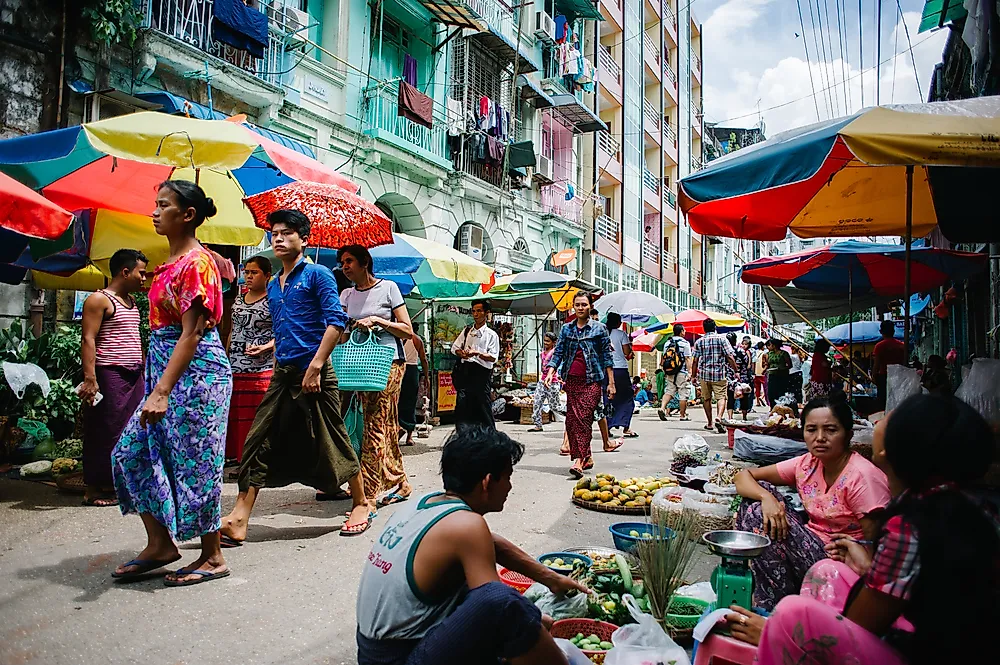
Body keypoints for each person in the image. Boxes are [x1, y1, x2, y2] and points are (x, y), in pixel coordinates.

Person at [723, 394, 999, 665]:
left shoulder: (909, 523)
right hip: (942, 635)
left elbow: (861, 625)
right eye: (812, 429)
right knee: (824, 571)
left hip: (928, 650)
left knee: (791, 614)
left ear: (888, 452)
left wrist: (778, 630)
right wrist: (869, 566)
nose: (820, 437)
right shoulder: (980, 502)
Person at [356, 426, 586, 665]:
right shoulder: (468, 525)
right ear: (487, 482)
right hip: (399, 658)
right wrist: (531, 622)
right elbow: (495, 607)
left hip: (373, 652)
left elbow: (492, 543)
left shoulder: (427, 505)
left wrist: (552, 579)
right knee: (506, 605)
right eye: (507, 477)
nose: (510, 487)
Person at [221, 209, 371, 544]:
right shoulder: (273, 285)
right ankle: (240, 517)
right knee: (257, 440)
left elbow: (335, 321)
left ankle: (361, 502)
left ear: (304, 239)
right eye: (274, 233)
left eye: (287, 233)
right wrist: (267, 348)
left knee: (331, 438)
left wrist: (317, 365)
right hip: (282, 373)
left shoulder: (317, 275)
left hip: (315, 371)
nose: (278, 238)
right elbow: (289, 327)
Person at [110, 180, 233, 586]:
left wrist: (162, 390)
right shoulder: (170, 263)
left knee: (196, 462)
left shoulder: (198, 264)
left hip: (197, 375)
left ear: (187, 215)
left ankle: (212, 556)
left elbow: (193, 333)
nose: (155, 211)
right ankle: (161, 544)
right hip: (168, 370)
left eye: (163, 205)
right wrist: (159, 385)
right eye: (156, 204)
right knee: (131, 453)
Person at [733, 394, 890, 610]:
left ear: (848, 435)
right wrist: (766, 497)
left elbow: (876, 547)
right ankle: (777, 593)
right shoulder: (808, 464)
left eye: (831, 430)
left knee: (757, 515)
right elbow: (743, 476)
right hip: (811, 546)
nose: (820, 437)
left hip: (840, 562)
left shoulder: (862, 477)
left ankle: (775, 602)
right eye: (811, 430)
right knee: (755, 499)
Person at [340, 244, 415, 508]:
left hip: (389, 363)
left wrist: (378, 321)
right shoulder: (346, 295)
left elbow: (407, 330)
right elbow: (342, 334)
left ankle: (369, 493)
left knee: (374, 424)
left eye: (349, 261)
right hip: (359, 365)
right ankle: (401, 482)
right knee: (383, 424)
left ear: (364, 263)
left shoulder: (389, 288)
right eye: (342, 262)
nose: (345, 266)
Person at [79, 249, 148, 507]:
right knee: (104, 429)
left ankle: (121, 483)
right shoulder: (100, 300)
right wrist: (90, 378)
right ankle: (95, 488)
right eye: (141, 273)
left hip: (134, 374)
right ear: (125, 271)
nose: (144, 278)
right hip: (109, 373)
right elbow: (88, 338)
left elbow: (135, 337)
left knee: (133, 429)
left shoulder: (131, 301)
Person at [545, 291, 617, 478]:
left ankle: (579, 460)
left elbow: (607, 357)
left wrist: (611, 383)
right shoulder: (566, 329)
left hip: (592, 380)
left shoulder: (599, 329)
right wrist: (550, 372)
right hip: (571, 380)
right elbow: (558, 353)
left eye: (584, 305)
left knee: (583, 418)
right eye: (577, 305)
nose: (580, 308)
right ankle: (587, 456)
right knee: (571, 420)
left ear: (590, 306)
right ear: (573, 306)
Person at [225, 255, 275, 464]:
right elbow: (232, 329)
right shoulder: (238, 299)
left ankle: (255, 461)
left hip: (261, 367)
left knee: (256, 415)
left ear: (267, 275)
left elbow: (283, 332)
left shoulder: (273, 300)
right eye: (246, 272)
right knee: (235, 415)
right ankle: (238, 458)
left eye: (254, 272)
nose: (249, 276)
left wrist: (266, 347)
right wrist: (226, 355)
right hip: (235, 364)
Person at [451, 300, 499, 429]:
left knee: (483, 406)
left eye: (479, 311)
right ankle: (463, 435)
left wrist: (477, 353)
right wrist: (462, 353)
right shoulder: (467, 331)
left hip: (481, 375)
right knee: (463, 406)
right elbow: (454, 347)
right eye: (474, 311)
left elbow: (493, 357)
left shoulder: (491, 335)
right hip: (465, 372)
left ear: (486, 313)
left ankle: (490, 436)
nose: (476, 314)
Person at [692, 318, 737, 433]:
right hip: (719, 374)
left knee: (706, 399)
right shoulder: (722, 339)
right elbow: (730, 357)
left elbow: (695, 361)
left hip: (704, 374)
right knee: (721, 397)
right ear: (715, 327)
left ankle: (710, 423)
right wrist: (736, 371)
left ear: (704, 329)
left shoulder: (699, 341)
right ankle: (719, 417)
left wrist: (693, 376)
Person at [605, 312, 638, 438]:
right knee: (626, 398)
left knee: (608, 398)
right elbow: (627, 354)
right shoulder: (621, 334)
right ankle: (626, 427)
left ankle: (607, 426)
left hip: (605, 371)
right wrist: (630, 345)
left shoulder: (602, 333)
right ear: (618, 323)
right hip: (620, 370)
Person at [657, 323, 692, 422]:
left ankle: (662, 408)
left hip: (670, 371)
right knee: (683, 392)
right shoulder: (685, 343)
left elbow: (664, 358)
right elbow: (688, 358)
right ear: (681, 332)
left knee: (669, 391)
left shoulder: (667, 343)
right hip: (682, 371)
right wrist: (690, 372)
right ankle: (682, 415)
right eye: (684, 330)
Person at [399, 332, 429, 445]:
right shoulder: (417, 339)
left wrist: (426, 377)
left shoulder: (414, 339)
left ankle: (406, 432)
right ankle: (408, 435)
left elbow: (423, 359)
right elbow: (423, 359)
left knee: (402, 401)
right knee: (409, 402)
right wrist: (426, 376)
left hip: (403, 368)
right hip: (411, 370)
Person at [527, 332, 560, 432]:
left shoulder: (555, 353)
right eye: (545, 340)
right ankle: (538, 424)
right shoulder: (542, 353)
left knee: (555, 406)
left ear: (554, 342)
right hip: (542, 381)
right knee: (537, 402)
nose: (545, 343)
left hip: (552, 382)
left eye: (548, 341)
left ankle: (571, 417)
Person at [873, 320, 906, 409]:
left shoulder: (879, 346)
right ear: (893, 331)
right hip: (899, 377)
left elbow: (876, 365)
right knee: (897, 402)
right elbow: (904, 363)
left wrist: (874, 376)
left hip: (884, 378)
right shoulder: (901, 346)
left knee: (884, 403)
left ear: (881, 332)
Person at [726, 334, 753, 421]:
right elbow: (746, 363)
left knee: (730, 397)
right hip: (743, 377)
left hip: (730, 377)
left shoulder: (726, 351)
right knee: (744, 397)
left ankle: (730, 417)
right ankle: (744, 417)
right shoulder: (741, 351)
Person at [764, 338, 792, 408]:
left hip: (782, 376)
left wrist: (782, 368)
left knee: (781, 392)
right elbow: (767, 364)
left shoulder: (784, 353)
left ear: (774, 345)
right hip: (772, 375)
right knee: (771, 393)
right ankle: (772, 407)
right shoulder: (769, 354)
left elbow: (789, 365)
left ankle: (781, 407)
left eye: (770, 345)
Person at [753, 341, 767, 406]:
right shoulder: (764, 354)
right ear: (762, 347)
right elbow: (765, 363)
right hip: (762, 373)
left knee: (757, 388)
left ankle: (758, 402)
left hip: (756, 373)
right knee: (765, 388)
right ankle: (763, 397)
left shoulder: (755, 353)